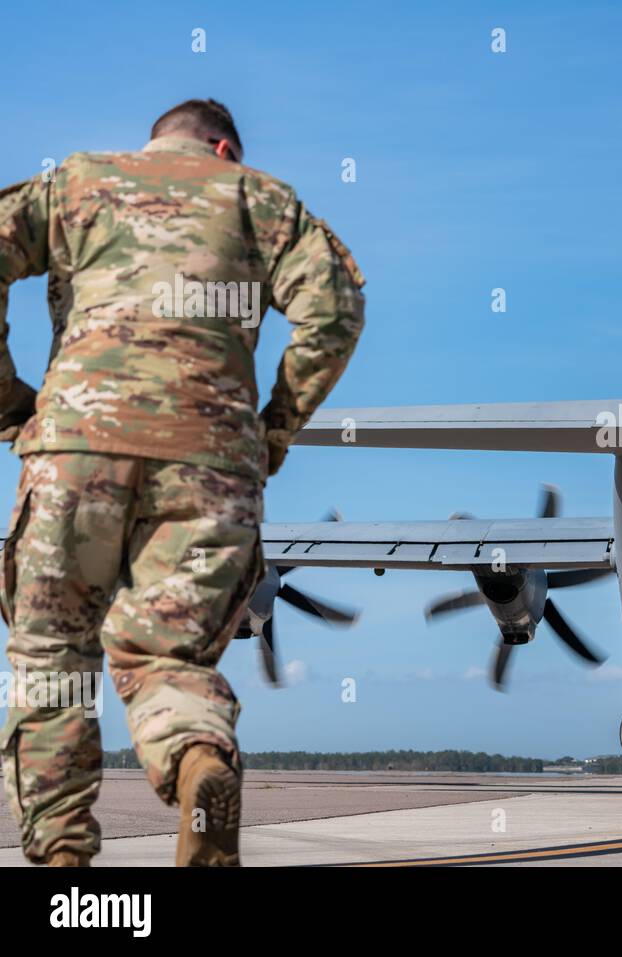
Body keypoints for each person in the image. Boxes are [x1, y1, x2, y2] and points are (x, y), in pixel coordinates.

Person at [0, 99, 365, 866]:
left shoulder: (76, 183)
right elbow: (334, 308)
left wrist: (9, 401)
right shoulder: (259, 198)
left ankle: (63, 855)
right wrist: (275, 425)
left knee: (52, 654)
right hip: (212, 464)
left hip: (76, 451)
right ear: (225, 147)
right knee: (167, 657)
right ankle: (196, 759)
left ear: (156, 140)